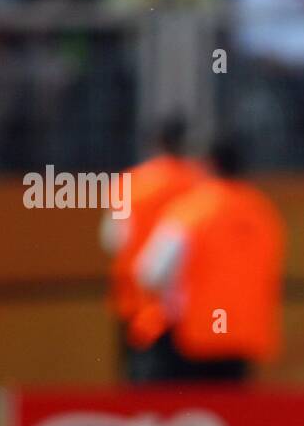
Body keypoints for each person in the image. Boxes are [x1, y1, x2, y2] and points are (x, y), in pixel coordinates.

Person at [134, 137, 285, 382]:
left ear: (208, 164)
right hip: (244, 337)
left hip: (195, 337)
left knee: (186, 410)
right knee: (228, 413)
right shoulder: (264, 212)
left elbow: (151, 274)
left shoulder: (192, 210)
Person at [100, 116, 206, 381]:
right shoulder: (199, 181)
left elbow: (113, 240)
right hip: (189, 310)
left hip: (138, 304)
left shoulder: (131, 182)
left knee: (143, 391)